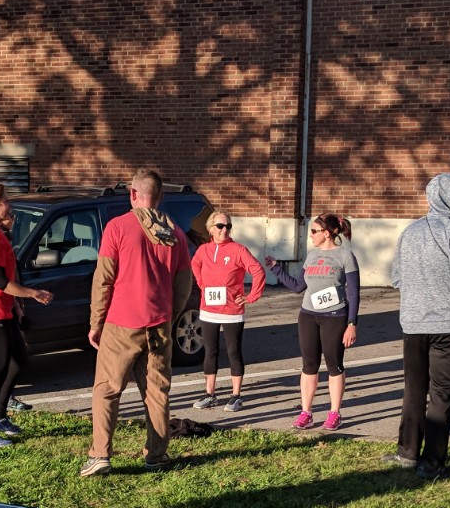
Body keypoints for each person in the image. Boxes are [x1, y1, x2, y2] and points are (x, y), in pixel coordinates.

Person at [80, 168, 195, 476]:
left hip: (121, 323)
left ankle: (100, 454)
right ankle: (156, 454)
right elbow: (184, 285)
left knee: (107, 389)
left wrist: (96, 322)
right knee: (156, 392)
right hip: (158, 324)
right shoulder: (176, 234)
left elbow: (103, 279)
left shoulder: (118, 227)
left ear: (133, 194)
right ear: (161, 196)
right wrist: (168, 315)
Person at [384, 173, 450, 475]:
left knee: (414, 390)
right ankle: (432, 461)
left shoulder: (409, 232)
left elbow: (396, 277)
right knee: (442, 394)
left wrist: (420, 292)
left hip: (413, 324)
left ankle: (407, 452)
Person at [0, 182, 53, 448]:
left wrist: (16, 304)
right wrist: (32, 293)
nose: (9, 203)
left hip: (2, 309)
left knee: (17, 361)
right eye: (5, 200)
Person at [266, 212, 359, 430]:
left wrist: (352, 324)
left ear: (327, 233)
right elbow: (298, 286)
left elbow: (354, 293)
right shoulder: (312, 255)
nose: (311, 236)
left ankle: (334, 413)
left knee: (334, 365)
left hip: (335, 318)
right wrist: (276, 268)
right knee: (309, 366)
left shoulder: (345, 255)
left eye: (314, 231)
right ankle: (306, 412)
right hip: (308, 316)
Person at [190, 210, 266, 412]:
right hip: (208, 311)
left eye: (228, 226)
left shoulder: (238, 249)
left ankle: (236, 395)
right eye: (221, 226)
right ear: (211, 229)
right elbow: (195, 264)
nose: (225, 230)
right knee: (210, 352)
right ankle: (210, 394)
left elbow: (258, 271)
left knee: (233, 352)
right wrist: (201, 283)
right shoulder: (204, 250)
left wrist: (251, 296)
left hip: (232, 311)